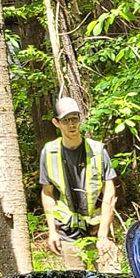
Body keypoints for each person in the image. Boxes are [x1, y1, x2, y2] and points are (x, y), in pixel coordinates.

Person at [39, 95, 117, 267]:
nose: (71, 124)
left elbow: (109, 193)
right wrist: (52, 231)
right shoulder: (49, 153)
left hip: (98, 228)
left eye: (75, 118)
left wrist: (103, 233)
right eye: (65, 120)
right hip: (68, 232)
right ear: (56, 123)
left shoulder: (97, 151)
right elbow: (47, 193)